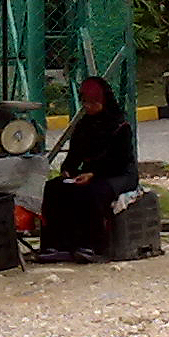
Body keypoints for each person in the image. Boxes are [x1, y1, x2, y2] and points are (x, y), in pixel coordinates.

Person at [36, 76, 139, 264]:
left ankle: (90, 245)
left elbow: (120, 160)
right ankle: (55, 245)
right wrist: (68, 170)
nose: (88, 107)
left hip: (118, 174)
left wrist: (93, 174)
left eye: (93, 103)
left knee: (92, 193)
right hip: (90, 173)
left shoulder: (119, 126)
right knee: (54, 189)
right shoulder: (84, 125)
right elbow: (74, 156)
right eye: (86, 103)